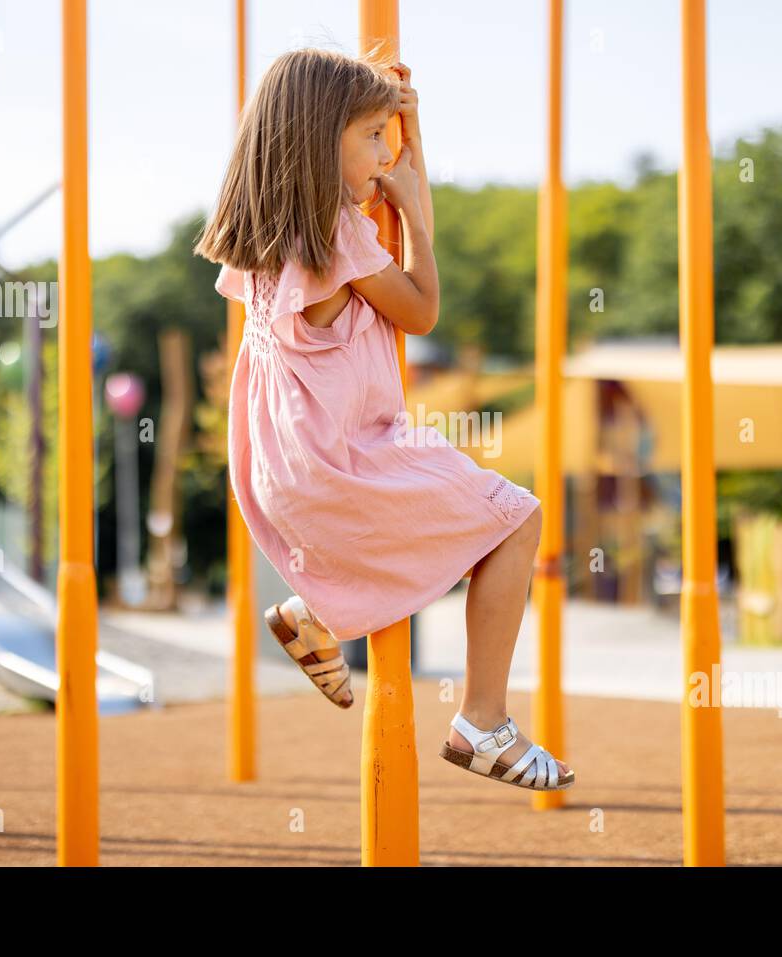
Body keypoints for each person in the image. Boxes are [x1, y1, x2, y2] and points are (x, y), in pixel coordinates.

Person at [193, 49, 572, 791]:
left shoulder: (267, 242)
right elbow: (424, 311)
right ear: (317, 137)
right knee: (515, 519)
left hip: (286, 468)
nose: (383, 153)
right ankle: (483, 721)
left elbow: (383, 193)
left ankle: (316, 615)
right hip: (342, 458)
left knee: (452, 535)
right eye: (371, 135)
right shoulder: (338, 237)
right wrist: (416, 228)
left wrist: (411, 137)